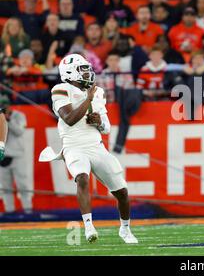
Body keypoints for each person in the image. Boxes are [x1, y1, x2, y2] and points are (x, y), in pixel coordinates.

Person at [39, 53, 138, 244]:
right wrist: (87, 100)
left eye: (87, 69)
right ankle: (89, 226)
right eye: (82, 70)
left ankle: (125, 229)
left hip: (96, 146)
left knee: (122, 192)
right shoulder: (60, 89)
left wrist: (99, 122)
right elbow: (69, 118)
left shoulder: (97, 92)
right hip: (73, 146)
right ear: (69, 72)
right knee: (82, 178)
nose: (87, 73)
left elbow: (107, 128)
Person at [0, 97, 31, 214]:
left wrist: (8, 120)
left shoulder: (19, 116)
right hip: (3, 155)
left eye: (5, 106)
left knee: (23, 184)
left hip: (18, 155)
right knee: (6, 186)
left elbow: (19, 131)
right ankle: (9, 211)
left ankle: (28, 210)